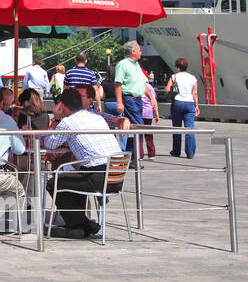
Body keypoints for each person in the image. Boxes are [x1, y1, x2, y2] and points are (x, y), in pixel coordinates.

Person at [40, 87, 125, 238]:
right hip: (116, 176)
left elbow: (50, 143)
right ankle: (80, 224)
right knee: (72, 177)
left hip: (97, 176)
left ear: (63, 107)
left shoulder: (68, 122)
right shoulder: (96, 117)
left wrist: (56, 119)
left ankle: (80, 225)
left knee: (53, 183)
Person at [111, 41, 147, 152]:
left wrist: (152, 98)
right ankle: (132, 155)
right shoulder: (123, 64)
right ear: (133, 51)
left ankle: (131, 154)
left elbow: (143, 83)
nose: (141, 52)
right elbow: (118, 83)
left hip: (138, 99)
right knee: (139, 126)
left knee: (135, 127)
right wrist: (120, 102)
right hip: (129, 98)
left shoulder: (136, 65)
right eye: (139, 50)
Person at [165, 57, 200, 158]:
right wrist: (196, 106)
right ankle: (190, 152)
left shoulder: (174, 76)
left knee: (177, 127)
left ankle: (176, 151)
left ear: (177, 67)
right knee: (189, 128)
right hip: (189, 104)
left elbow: (167, 89)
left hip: (178, 103)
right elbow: (195, 93)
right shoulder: (193, 78)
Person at [139, 72, 160, 161]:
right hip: (148, 113)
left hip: (139, 112)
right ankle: (151, 154)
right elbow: (154, 101)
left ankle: (140, 154)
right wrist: (157, 114)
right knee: (148, 135)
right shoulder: (150, 87)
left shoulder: (137, 86)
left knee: (139, 135)